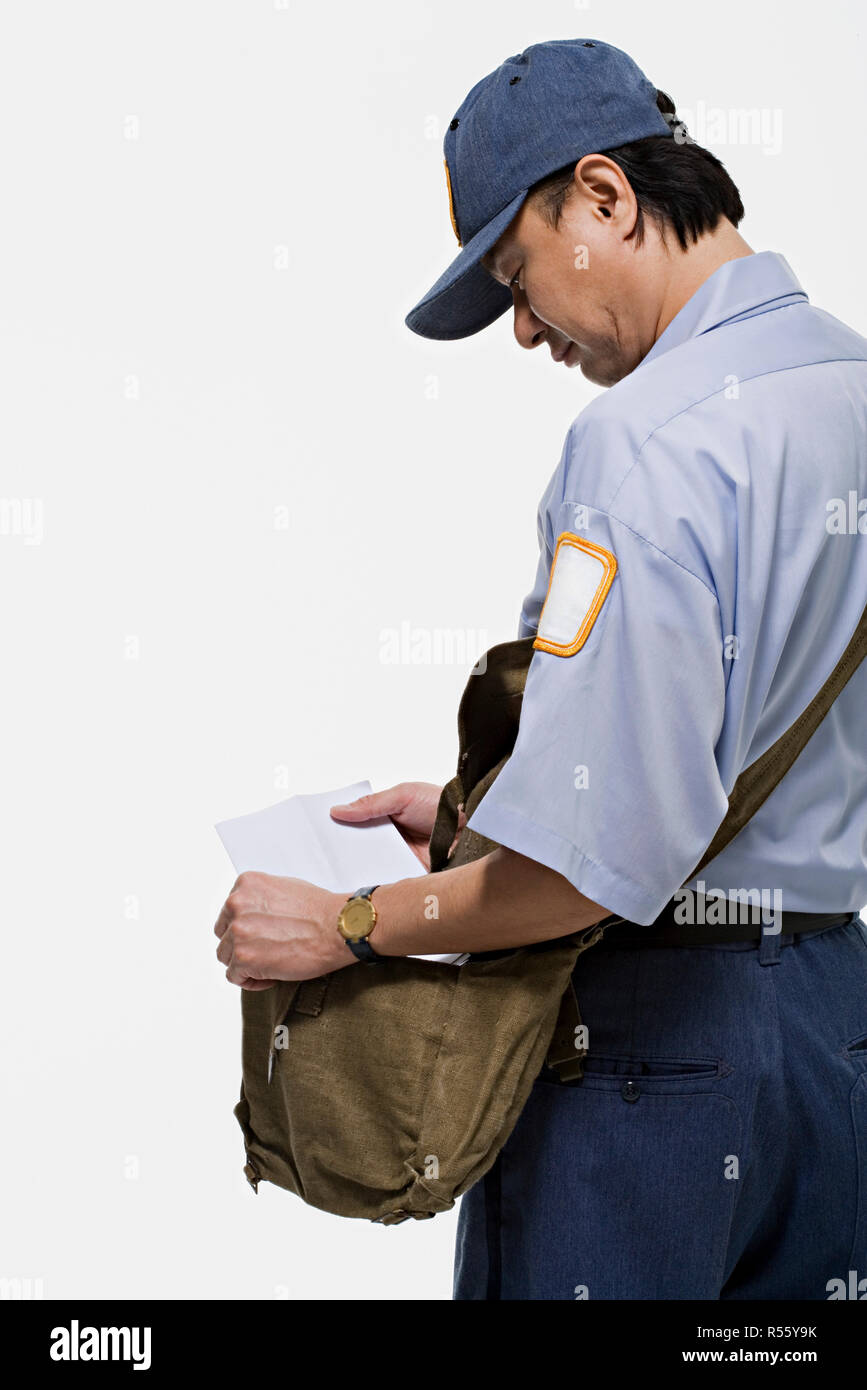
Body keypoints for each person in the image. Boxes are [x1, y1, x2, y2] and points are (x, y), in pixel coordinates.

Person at [215, 38, 867, 1299]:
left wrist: (351, 925)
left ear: (607, 197)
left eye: (518, 274)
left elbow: (584, 872)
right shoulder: (849, 389)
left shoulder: (640, 445)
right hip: (836, 1039)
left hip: (654, 1056)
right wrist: (476, 816)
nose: (522, 329)